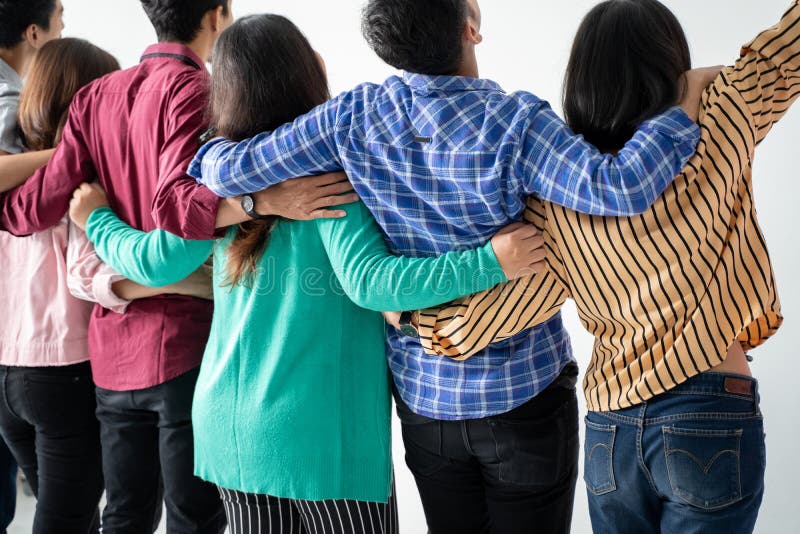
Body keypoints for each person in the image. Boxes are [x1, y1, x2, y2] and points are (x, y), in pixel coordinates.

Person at [186, 1, 716, 531]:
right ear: (470, 29)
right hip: (523, 396)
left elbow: (217, 166)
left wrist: (263, 199)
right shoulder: (517, 123)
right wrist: (681, 108)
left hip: (426, 404)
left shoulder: (352, 116)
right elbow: (619, 186)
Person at [65, 13, 554, 534]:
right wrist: (488, 262)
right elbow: (374, 283)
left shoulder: (218, 193)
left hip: (229, 431)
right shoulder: (334, 182)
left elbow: (154, 260)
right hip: (322, 440)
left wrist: (93, 216)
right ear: (310, 69)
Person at [412, 1, 800, 532]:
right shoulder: (722, 119)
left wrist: (409, 318)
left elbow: (482, 321)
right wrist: (698, 87)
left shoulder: (554, 205)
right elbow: (788, 52)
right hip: (711, 408)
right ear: (672, 63)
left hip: (609, 432)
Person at [0, 1, 63, 531]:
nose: (65, 28)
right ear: (34, 32)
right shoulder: (11, 95)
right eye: (60, 16)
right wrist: (67, 153)